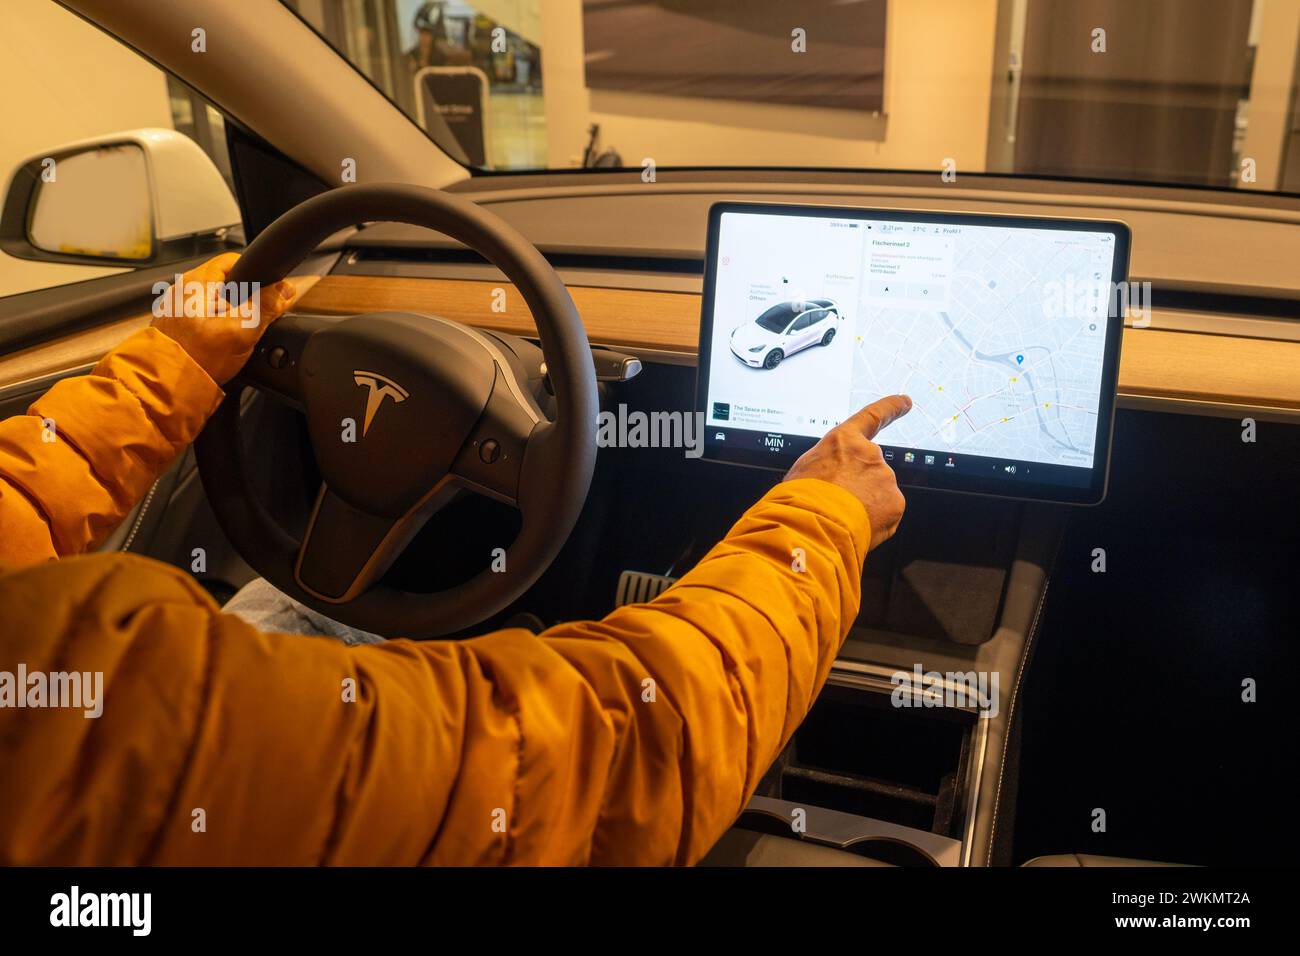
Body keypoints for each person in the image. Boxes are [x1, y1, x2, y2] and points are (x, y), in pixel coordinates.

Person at [0, 253, 910, 865]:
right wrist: (818, 522)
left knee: (307, 612)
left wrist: (175, 357)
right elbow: (614, 755)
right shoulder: (104, 718)